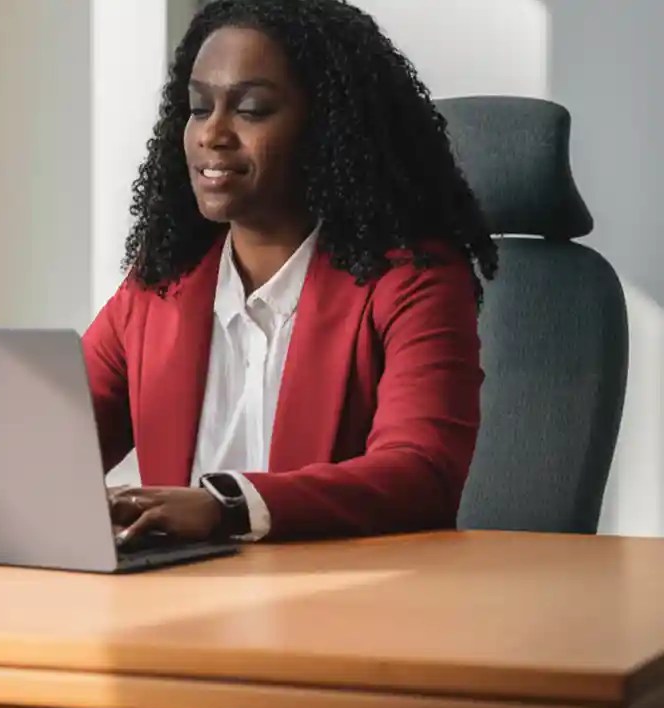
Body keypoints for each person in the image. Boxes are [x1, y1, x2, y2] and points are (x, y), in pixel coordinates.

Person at [88, 0, 498, 543]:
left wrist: (225, 507)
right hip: (176, 606)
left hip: (349, 608)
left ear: (327, 126)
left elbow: (421, 473)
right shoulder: (159, 288)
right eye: (198, 106)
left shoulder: (410, 281)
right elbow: (52, 446)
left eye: (252, 109)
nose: (212, 134)